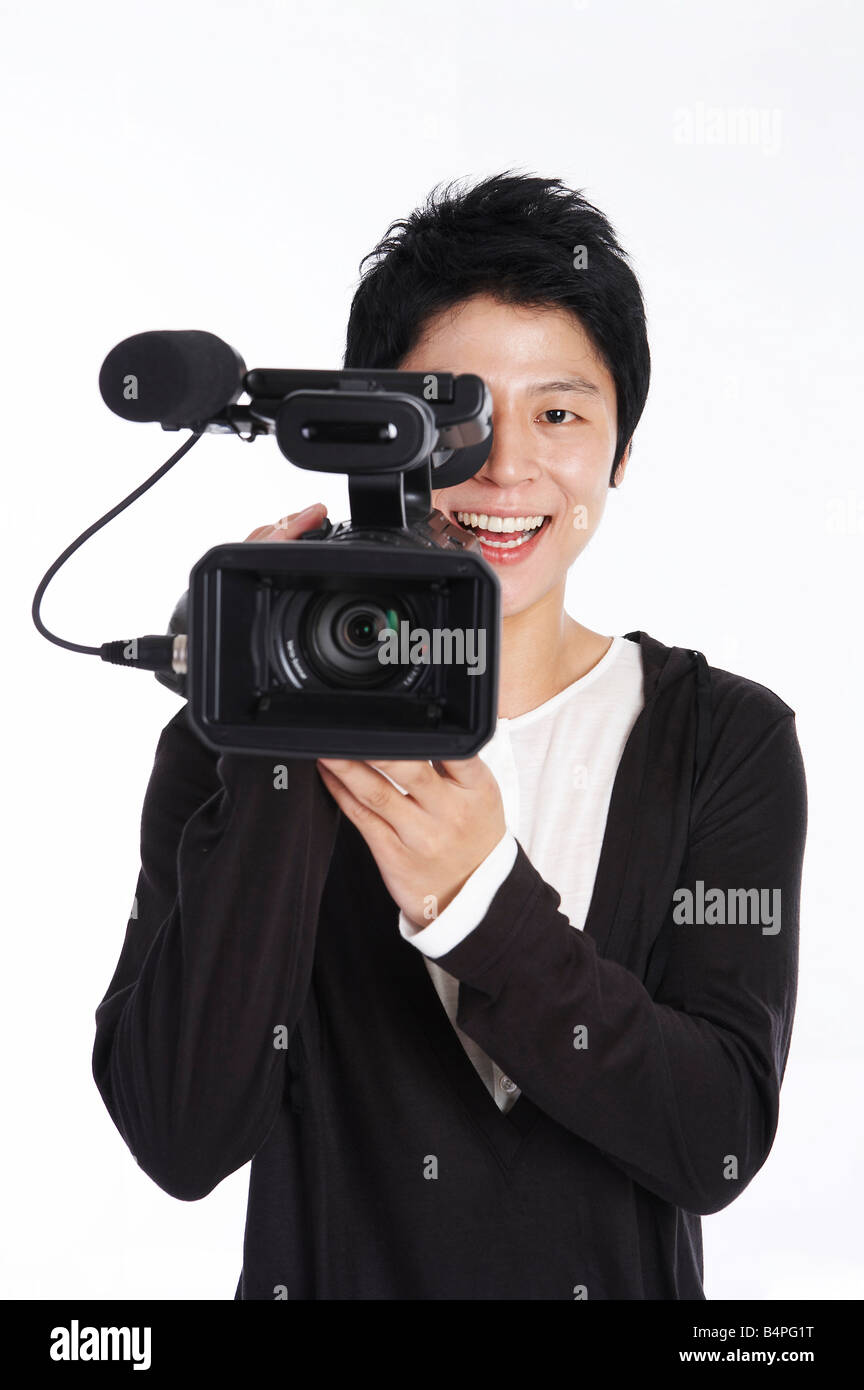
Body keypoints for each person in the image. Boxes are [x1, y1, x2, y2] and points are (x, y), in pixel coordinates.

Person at [92, 172, 808, 1300]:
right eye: (460, 415)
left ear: (620, 446)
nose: (509, 468)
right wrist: (283, 710)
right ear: (374, 431)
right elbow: (181, 1135)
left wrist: (478, 902)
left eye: (561, 413)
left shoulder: (725, 738)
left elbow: (715, 1137)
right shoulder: (236, 726)